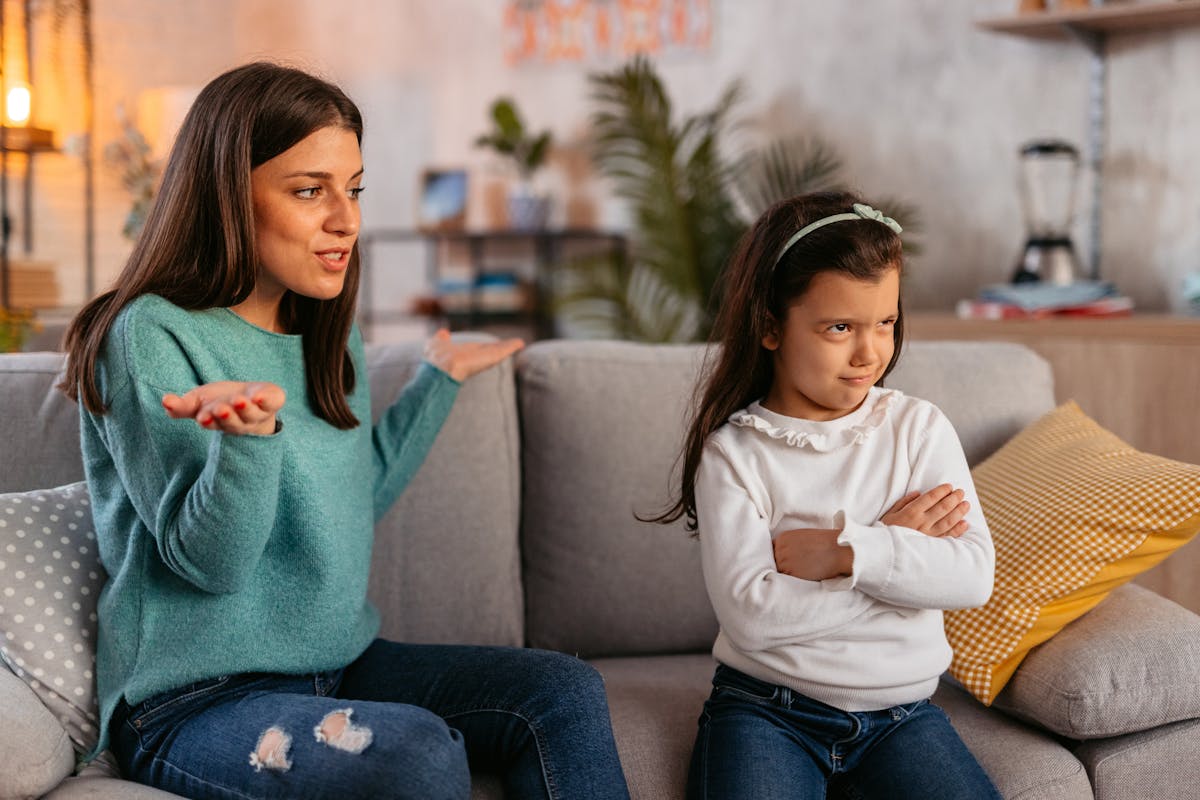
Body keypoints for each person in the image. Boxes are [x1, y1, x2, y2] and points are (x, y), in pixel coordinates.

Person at [60, 61, 630, 800]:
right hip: (197, 700)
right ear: (228, 194)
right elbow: (210, 566)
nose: (347, 221)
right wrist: (247, 443)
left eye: (353, 189)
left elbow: (348, 501)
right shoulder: (146, 336)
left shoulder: (321, 322)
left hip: (337, 665)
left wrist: (438, 382)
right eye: (309, 191)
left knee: (563, 689)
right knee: (416, 755)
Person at [649, 192, 1002, 799]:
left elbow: (971, 577)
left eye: (885, 323)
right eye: (839, 327)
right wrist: (899, 559)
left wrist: (849, 554)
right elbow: (754, 618)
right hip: (766, 712)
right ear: (769, 326)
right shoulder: (735, 454)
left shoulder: (918, 429)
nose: (870, 353)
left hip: (902, 718)